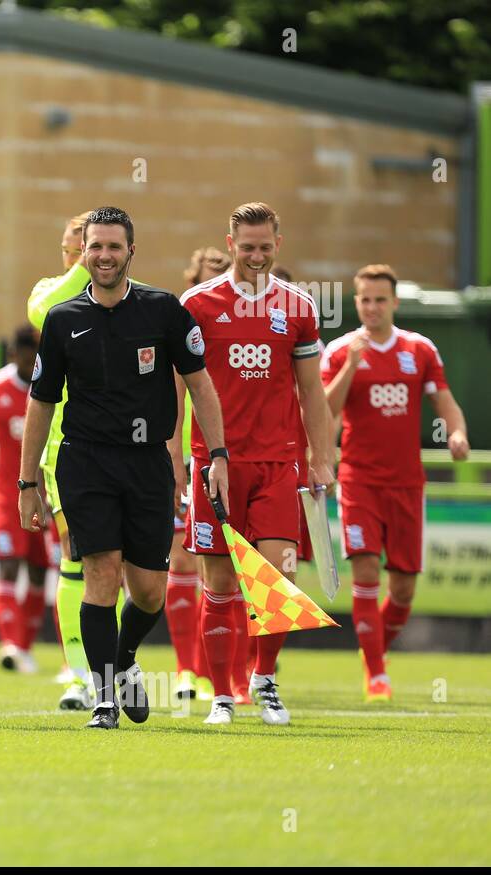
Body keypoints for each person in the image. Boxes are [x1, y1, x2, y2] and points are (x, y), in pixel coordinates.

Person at [19, 206, 230, 730]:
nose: (105, 256)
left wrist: (217, 456)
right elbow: (41, 403)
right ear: (82, 253)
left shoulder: (163, 310)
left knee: (150, 591)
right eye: (95, 247)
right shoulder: (63, 319)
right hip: (85, 462)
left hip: (147, 464)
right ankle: (105, 696)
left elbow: (201, 385)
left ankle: (126, 656)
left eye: (114, 247)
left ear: (131, 252)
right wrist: (28, 482)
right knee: (100, 576)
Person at [181, 201, 334, 726]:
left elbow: (312, 391)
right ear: (230, 244)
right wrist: (172, 458)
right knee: (220, 583)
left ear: (278, 244)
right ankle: (222, 695)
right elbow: (176, 387)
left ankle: (264, 681)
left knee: (277, 579)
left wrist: (321, 457)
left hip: (277, 465)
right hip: (215, 465)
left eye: (265, 248)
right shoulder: (198, 304)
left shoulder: (298, 307)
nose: (256, 256)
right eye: (247, 247)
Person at [322, 264, 469, 702]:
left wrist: (456, 432)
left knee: (403, 587)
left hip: (407, 484)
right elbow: (326, 409)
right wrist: (351, 364)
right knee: (365, 569)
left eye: (379, 299)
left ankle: (373, 655)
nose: (371, 307)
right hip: (359, 480)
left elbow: (446, 402)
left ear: (395, 303)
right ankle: (377, 675)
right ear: (357, 302)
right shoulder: (339, 350)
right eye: (364, 299)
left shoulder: (419, 349)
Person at [27, 210, 110, 710]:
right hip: (67, 447)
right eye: (73, 246)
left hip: (126, 446)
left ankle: (113, 665)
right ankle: (80, 674)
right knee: (77, 553)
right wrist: (83, 264)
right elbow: (49, 310)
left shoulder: (132, 291)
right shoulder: (47, 292)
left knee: (121, 564)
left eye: (94, 245)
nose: (82, 255)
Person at [165, 248, 231, 702]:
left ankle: (220, 670)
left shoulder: (244, 325)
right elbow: (170, 395)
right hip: (192, 458)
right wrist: (172, 454)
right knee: (184, 559)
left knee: (226, 569)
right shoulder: (183, 321)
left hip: (235, 454)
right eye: (210, 277)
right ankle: (186, 669)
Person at [0, 325, 54, 674]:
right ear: (14, 354)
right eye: (27, 352)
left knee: (38, 571)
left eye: (37, 353)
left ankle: (25, 646)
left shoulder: (53, 386)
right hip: (7, 494)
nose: (32, 359)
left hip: (47, 494)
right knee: (8, 565)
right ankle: (10, 645)